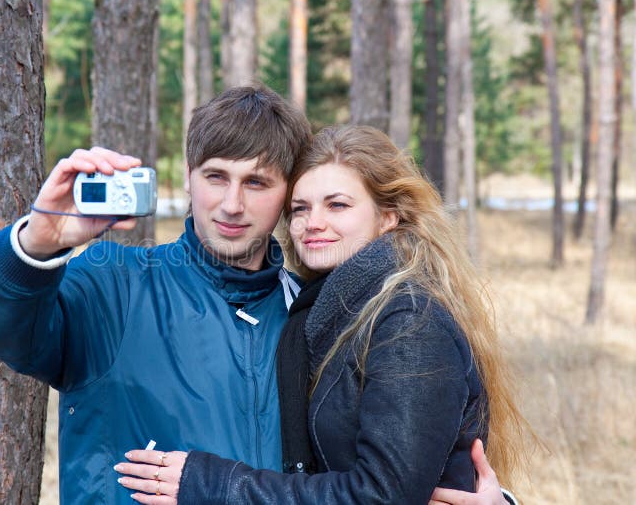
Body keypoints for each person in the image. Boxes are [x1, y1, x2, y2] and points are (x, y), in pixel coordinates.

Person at [0, 84, 510, 504]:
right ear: (189, 177)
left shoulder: (317, 311)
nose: (231, 204)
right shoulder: (115, 283)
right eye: (216, 176)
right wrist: (37, 243)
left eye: (257, 183)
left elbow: (380, 468)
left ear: (284, 196)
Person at [114, 125, 527, 504]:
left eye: (337, 205)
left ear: (388, 216)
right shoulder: (330, 308)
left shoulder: (408, 322)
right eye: (300, 209)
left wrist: (216, 485)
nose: (313, 223)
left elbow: (381, 495)